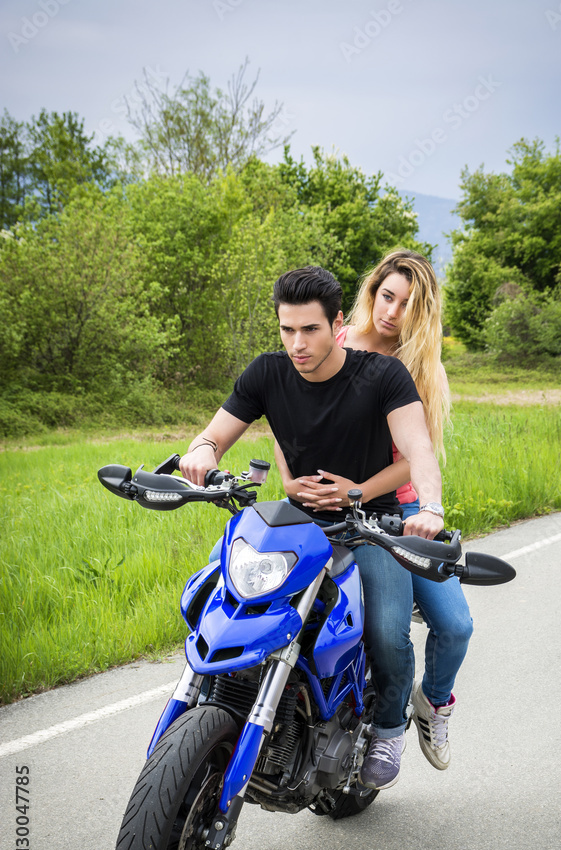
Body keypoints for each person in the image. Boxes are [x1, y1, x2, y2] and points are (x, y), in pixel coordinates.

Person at [179, 264, 445, 791]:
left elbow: (418, 449)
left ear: (338, 323)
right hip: (295, 521)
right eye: (287, 330)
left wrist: (430, 507)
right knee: (211, 593)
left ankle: (389, 728)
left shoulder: (383, 376)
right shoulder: (267, 373)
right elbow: (213, 437)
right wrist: (201, 453)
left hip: (371, 522)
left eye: (310, 330)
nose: (297, 344)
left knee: (388, 634)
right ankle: (216, 701)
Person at [273, 250, 473, 783]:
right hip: (338, 504)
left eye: (407, 304)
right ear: (371, 292)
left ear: (422, 312)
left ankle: (432, 706)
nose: (392, 311)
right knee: (373, 627)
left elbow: (415, 456)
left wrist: (368, 492)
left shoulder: (421, 369)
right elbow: (281, 409)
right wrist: (291, 479)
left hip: (400, 507)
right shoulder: (329, 342)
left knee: (455, 625)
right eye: (387, 295)